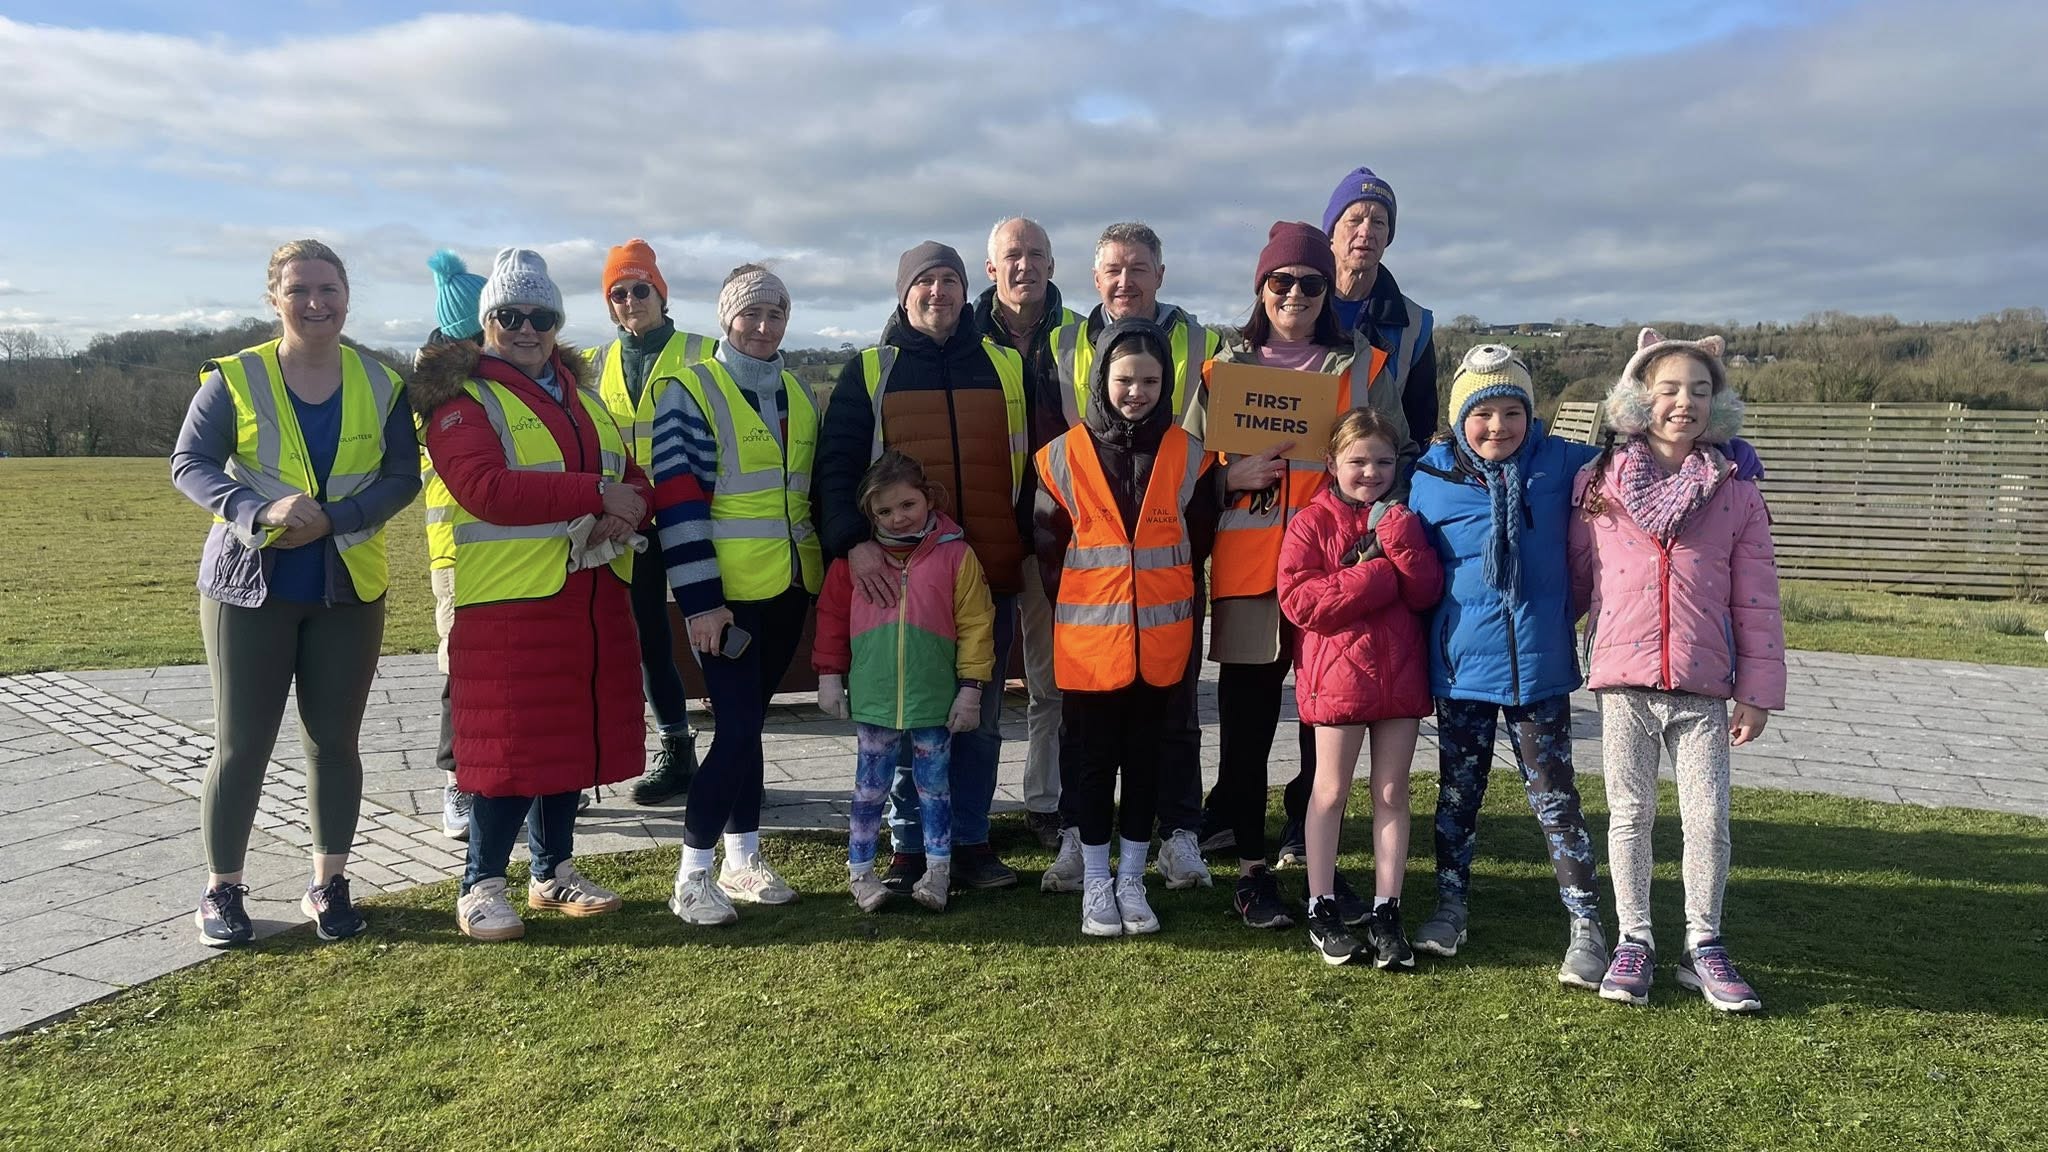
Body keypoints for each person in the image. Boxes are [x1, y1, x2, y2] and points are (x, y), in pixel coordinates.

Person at [172, 238, 420, 947]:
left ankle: (329, 883)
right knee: (242, 745)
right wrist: (258, 510)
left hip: (348, 588)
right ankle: (222, 889)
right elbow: (189, 463)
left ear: (347, 297)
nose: (315, 303)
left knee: (334, 743)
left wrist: (338, 518)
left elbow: (403, 477)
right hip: (248, 589)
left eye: (328, 290)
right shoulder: (235, 377)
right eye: (299, 290)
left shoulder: (382, 382)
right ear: (274, 299)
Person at [411, 248, 648, 942]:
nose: (525, 328)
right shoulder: (462, 399)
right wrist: (598, 494)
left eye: (541, 316)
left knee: (566, 737)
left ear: (556, 324)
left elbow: (632, 475)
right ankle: (481, 885)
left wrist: (630, 507)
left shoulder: (582, 397)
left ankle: (553, 872)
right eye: (510, 315)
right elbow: (484, 488)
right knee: (507, 751)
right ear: (487, 321)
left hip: (588, 594)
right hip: (508, 603)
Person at [1184, 222, 1394, 929]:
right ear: (1261, 288)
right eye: (1281, 281)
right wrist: (1226, 479)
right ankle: (1250, 868)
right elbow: (1183, 475)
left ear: (1327, 291)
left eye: (1310, 282)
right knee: (1245, 729)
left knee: (1323, 728)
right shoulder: (1221, 371)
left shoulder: (1362, 367)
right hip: (1249, 579)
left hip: (1335, 577)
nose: (1295, 294)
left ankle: (1312, 858)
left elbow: (1392, 462)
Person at [1570, 329, 1785, 1013]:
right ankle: (1633, 938)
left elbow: (1757, 599)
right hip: (1623, 683)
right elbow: (1575, 579)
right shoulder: (1598, 485)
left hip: (1703, 687)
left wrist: (1757, 691)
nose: (1683, 403)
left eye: (1699, 389)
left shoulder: (1737, 492)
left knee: (1708, 818)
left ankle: (1703, 944)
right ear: (1639, 398)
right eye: (1668, 389)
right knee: (1630, 816)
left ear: (1716, 404)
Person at [815, 241, 1029, 895]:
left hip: (985, 572)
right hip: (896, 579)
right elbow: (836, 467)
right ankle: (909, 848)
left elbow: (1034, 461)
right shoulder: (871, 370)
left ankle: (969, 842)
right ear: (904, 294)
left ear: (967, 290)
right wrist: (853, 543)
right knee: (908, 723)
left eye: (950, 280)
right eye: (925, 282)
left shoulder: (1004, 364)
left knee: (978, 720)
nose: (939, 292)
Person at [1040, 223, 1235, 893]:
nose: (1126, 281)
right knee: (1084, 731)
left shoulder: (1207, 345)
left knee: (1173, 720)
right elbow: (1047, 516)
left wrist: (1167, 563)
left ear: (1160, 274)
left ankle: (1178, 835)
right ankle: (1078, 836)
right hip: (1088, 598)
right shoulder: (1062, 343)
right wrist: (1083, 582)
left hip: (1168, 588)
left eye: (1139, 268)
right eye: (1114, 270)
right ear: (1096, 278)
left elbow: (1205, 508)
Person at [651, 263, 821, 925]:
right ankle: (692, 875)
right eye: (751, 312)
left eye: (776, 313)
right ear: (727, 318)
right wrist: (700, 602)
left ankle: (742, 860)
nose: (763, 325)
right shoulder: (690, 391)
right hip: (724, 598)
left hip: (788, 588)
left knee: (749, 725)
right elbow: (678, 503)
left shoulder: (798, 391)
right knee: (738, 727)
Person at [1277, 409, 1442, 966]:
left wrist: (1399, 538)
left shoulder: (1405, 519)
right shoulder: (1309, 523)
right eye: (1358, 461)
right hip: (1337, 682)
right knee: (1329, 792)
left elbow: (1425, 591)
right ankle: (1321, 905)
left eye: (1383, 461)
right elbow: (1301, 603)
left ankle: (1387, 909)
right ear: (1332, 463)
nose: (1371, 472)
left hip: (1400, 679)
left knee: (1392, 794)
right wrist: (1376, 574)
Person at [814, 451, 996, 913]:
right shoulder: (851, 564)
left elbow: (976, 623)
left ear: (929, 498)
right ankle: (861, 874)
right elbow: (832, 619)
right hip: (874, 700)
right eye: (884, 511)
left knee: (935, 789)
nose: (898, 518)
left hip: (935, 698)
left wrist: (971, 688)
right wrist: (829, 676)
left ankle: (938, 873)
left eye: (907, 505)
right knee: (869, 791)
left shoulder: (957, 556)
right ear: (869, 515)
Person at [586, 239, 718, 807]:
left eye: (641, 289)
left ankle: (739, 754)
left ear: (661, 294)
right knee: (647, 638)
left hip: (697, 516)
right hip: (631, 522)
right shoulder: (592, 364)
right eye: (617, 294)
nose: (630, 301)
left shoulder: (704, 351)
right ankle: (676, 748)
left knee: (715, 633)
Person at [972, 216, 1080, 849]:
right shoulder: (963, 335)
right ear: (992, 268)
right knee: (975, 682)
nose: (1025, 265)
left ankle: (1046, 802)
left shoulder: (1079, 337)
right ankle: (968, 817)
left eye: (1036, 254)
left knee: (1050, 682)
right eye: (1013, 255)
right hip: (979, 535)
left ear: (1052, 265)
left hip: (1051, 532)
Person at [418, 249, 486, 840]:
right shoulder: (438, 387)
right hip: (459, 546)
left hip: (521, 543)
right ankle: (457, 780)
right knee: (461, 666)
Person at [1322, 166, 1439, 448]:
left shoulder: (1415, 325)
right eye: (1354, 220)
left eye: (1378, 222)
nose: (1366, 232)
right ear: (1331, 232)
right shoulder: (1293, 303)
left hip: (1375, 472)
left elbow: (1420, 428)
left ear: (1388, 236)